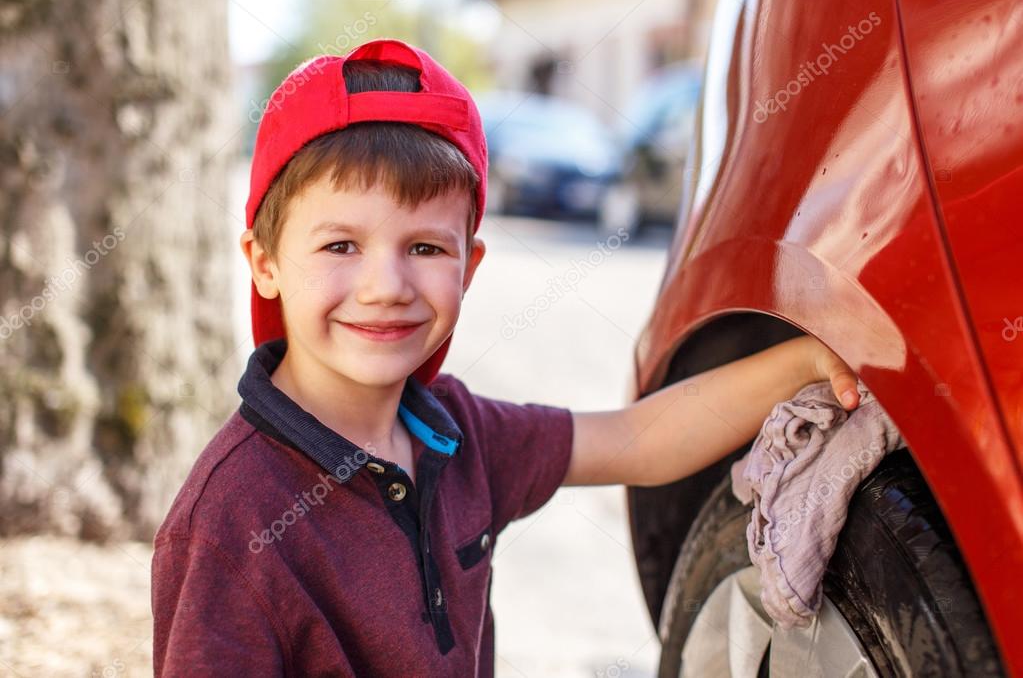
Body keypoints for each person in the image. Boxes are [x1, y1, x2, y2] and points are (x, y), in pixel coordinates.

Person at [150, 38, 860, 676]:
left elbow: (635, 440)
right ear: (264, 262)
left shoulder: (457, 431)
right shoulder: (229, 521)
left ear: (469, 265)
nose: (384, 287)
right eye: (341, 246)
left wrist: (802, 362)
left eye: (424, 248)